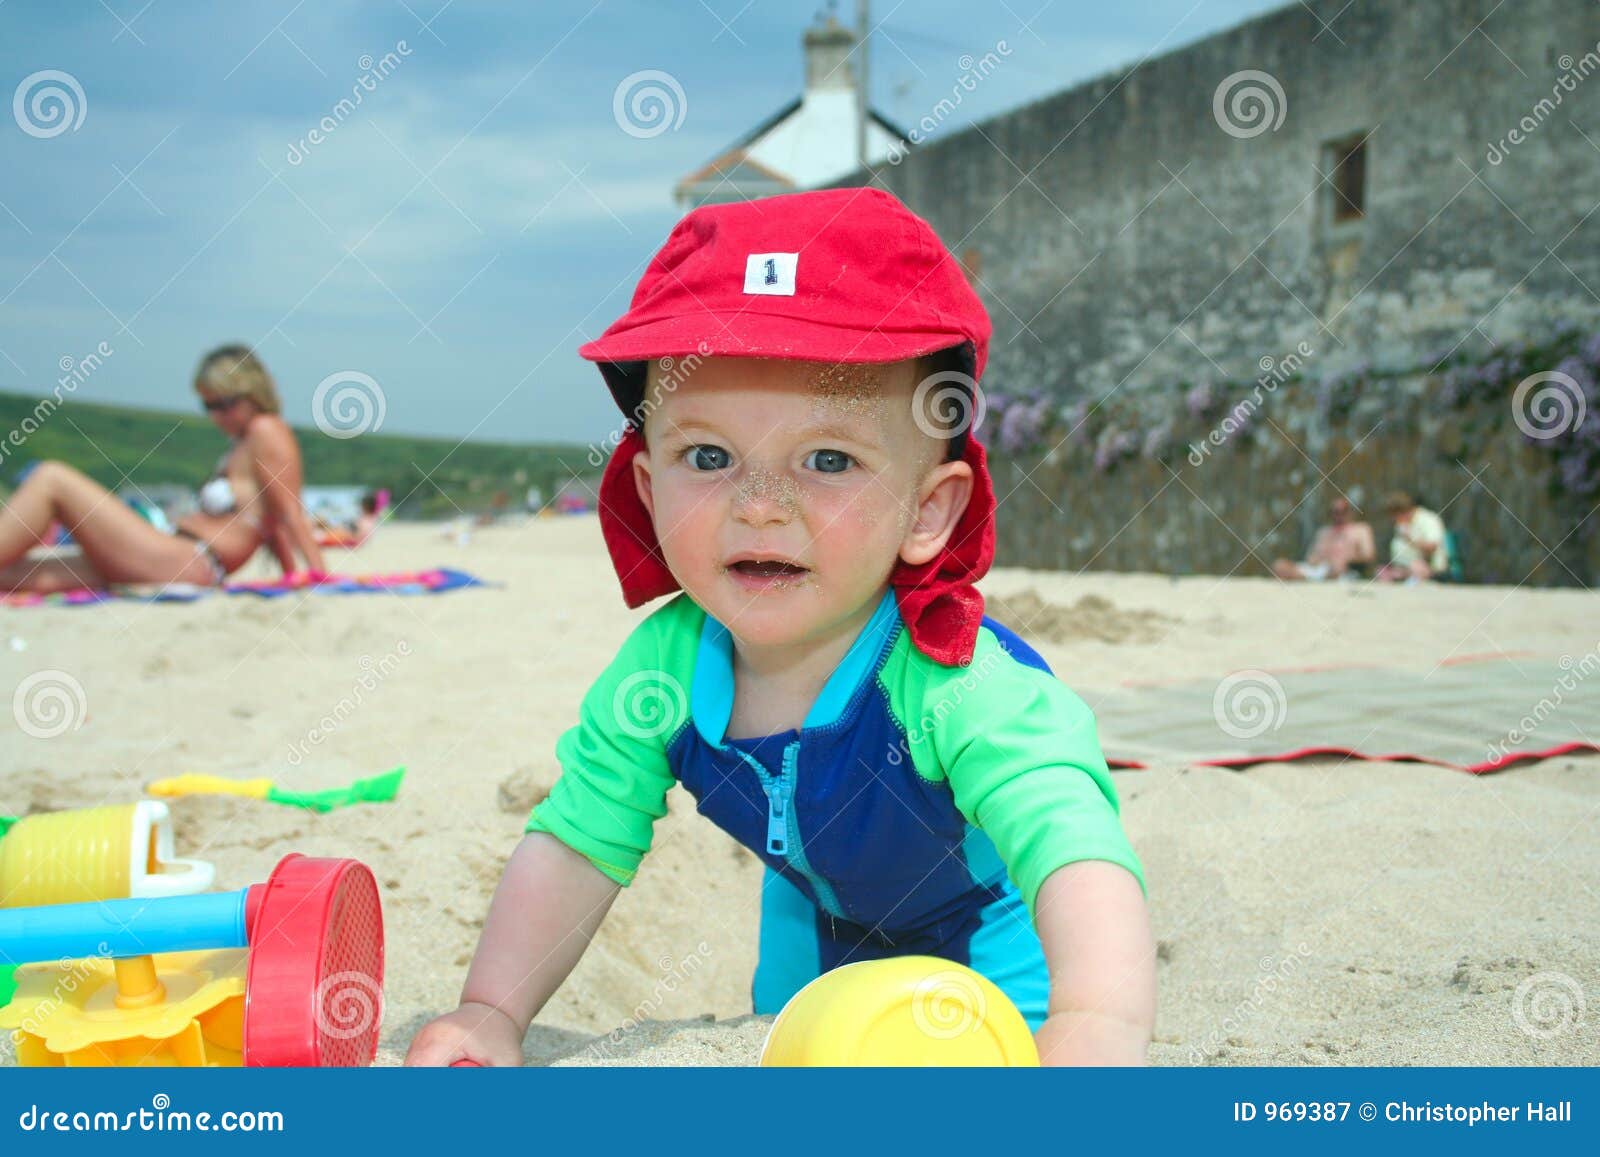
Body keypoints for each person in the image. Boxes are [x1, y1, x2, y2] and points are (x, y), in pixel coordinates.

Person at [405, 188, 1153, 1068]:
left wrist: (1097, 1024)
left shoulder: (954, 678)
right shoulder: (666, 668)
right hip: (815, 930)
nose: (760, 506)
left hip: (994, 940)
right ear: (648, 488)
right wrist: (493, 1008)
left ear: (927, 509)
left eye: (828, 460)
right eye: (709, 458)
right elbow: (577, 840)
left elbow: (1072, 842)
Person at [0, 344, 325, 591]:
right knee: (15, 576)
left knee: (52, 479)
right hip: (174, 557)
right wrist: (289, 574)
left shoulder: (266, 429)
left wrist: (317, 574)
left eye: (224, 404)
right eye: (208, 405)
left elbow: (287, 511)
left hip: (187, 559)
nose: (216, 416)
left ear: (254, 393)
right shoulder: (243, 442)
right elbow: (271, 523)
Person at [1272, 496, 1376, 581]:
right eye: (1335, 511)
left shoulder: (1361, 530)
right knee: (1279, 565)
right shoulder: (1323, 532)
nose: (1338, 515)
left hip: (1348, 571)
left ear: (1350, 512)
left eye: (1343, 511)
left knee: (1335, 571)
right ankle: (1305, 577)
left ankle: (1308, 578)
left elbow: (1368, 556)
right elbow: (1311, 558)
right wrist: (1321, 559)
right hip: (1321, 569)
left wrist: (1346, 561)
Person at [1377, 491, 1449, 582]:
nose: (1393, 520)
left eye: (1394, 516)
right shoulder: (1402, 524)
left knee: (1416, 569)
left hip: (1428, 570)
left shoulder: (1428, 519)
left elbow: (1432, 547)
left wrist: (1410, 538)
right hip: (1403, 568)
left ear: (1401, 512)